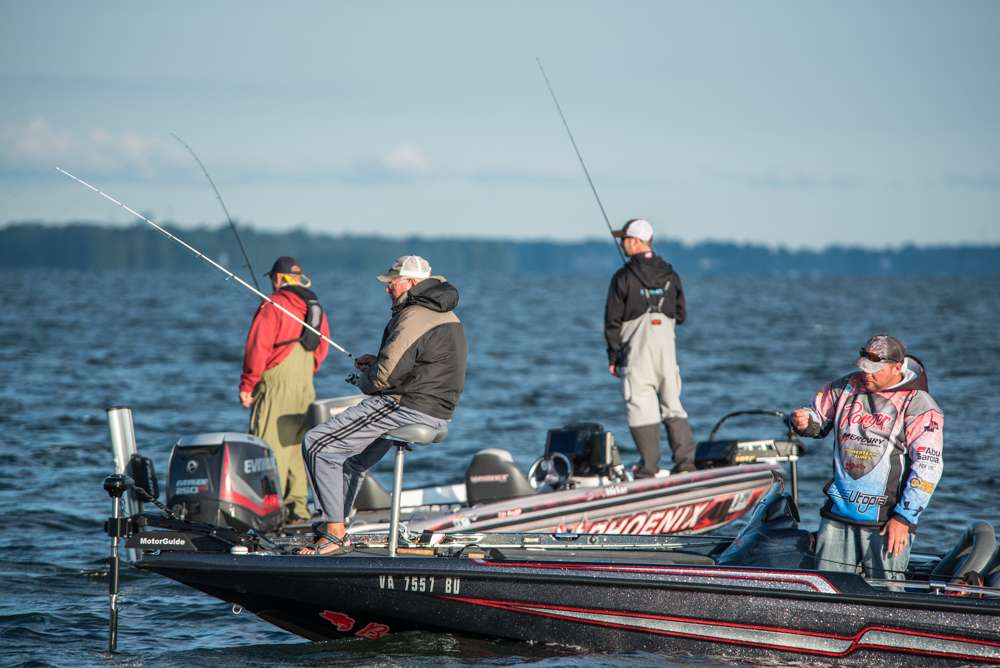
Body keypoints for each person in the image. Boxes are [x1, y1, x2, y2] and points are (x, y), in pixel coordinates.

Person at [300, 255, 467, 555]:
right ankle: (337, 526)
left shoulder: (414, 315)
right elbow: (418, 364)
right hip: (437, 411)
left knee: (317, 445)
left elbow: (382, 379)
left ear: (411, 283)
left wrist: (365, 377)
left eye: (393, 282)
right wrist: (377, 362)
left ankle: (334, 534)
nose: (387, 287)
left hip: (408, 406)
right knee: (352, 460)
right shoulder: (446, 314)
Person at [790, 335, 944, 581]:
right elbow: (818, 419)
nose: (866, 374)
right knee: (827, 590)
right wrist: (804, 421)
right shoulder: (844, 387)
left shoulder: (920, 405)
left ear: (897, 367)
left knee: (887, 594)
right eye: (863, 367)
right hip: (837, 516)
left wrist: (904, 518)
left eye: (874, 370)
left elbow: (928, 466)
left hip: (887, 523)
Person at [239, 256, 330, 523]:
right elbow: (322, 346)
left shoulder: (273, 304)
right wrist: (307, 371)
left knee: (267, 447)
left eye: (272, 279)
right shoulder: (315, 306)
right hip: (305, 385)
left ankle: (269, 511)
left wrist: (248, 384)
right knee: (297, 447)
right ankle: (298, 509)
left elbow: (258, 348)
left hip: (277, 383)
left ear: (278, 278)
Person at [604, 218, 697, 477]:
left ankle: (648, 468)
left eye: (624, 239)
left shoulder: (622, 277)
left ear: (636, 241)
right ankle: (686, 464)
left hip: (637, 354)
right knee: (673, 404)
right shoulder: (671, 275)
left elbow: (612, 322)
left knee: (640, 406)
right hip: (666, 353)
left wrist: (613, 357)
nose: (622, 243)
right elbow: (681, 315)